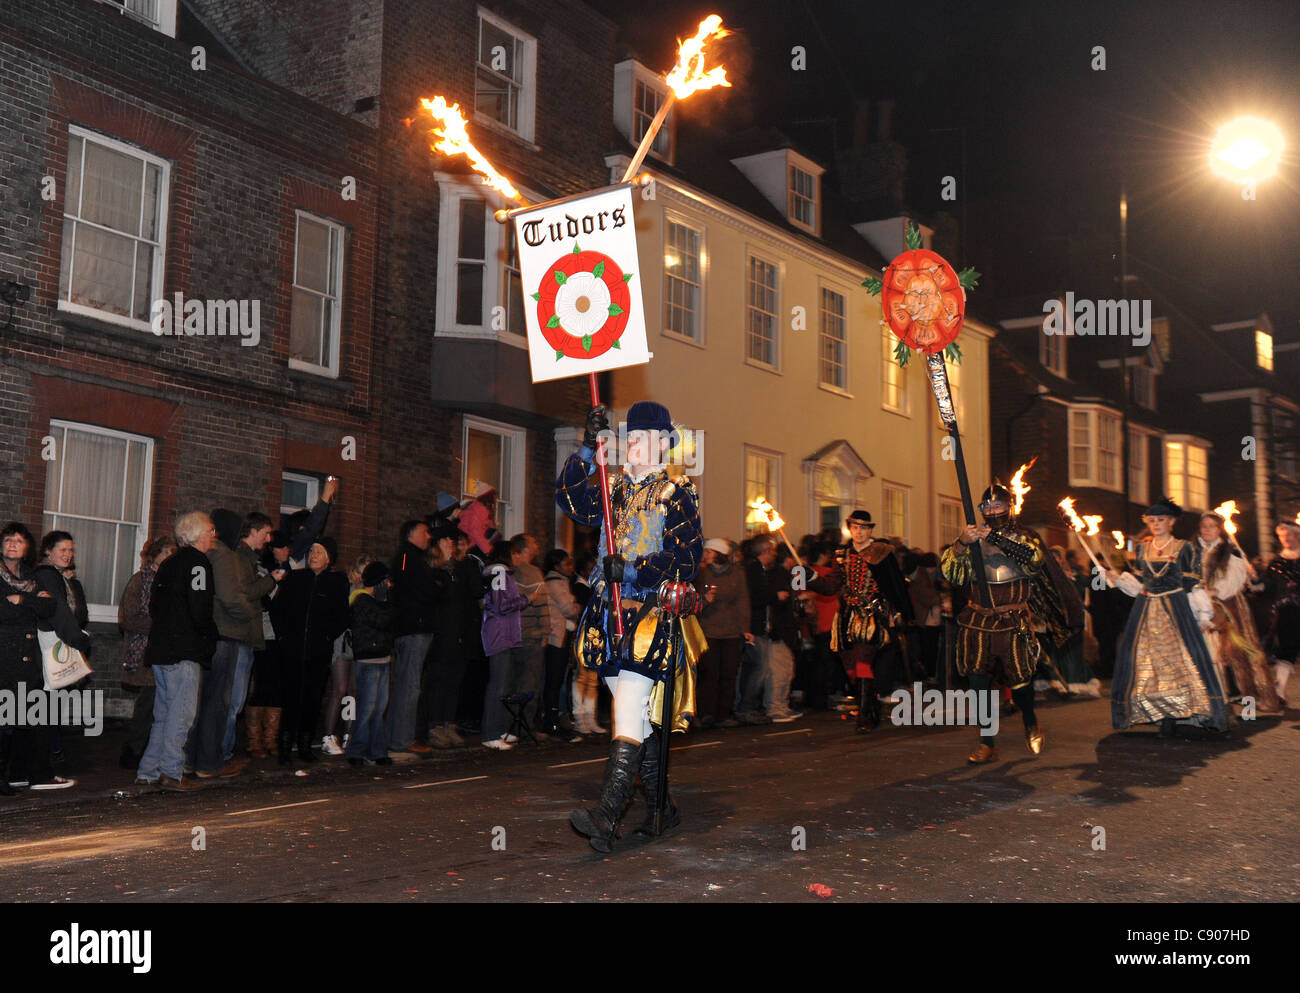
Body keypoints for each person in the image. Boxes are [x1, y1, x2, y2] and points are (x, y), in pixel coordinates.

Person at [558, 401, 704, 851]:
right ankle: (663, 807)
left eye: (640, 437)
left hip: (648, 615)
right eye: (628, 437)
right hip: (606, 615)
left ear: (662, 443)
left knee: (627, 708)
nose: (631, 445)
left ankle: (607, 814)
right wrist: (586, 448)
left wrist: (636, 570)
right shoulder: (614, 488)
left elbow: (688, 556)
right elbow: (573, 504)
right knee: (633, 715)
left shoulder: (678, 492)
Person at [940, 483, 1083, 762]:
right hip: (977, 619)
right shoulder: (971, 540)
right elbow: (951, 574)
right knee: (978, 680)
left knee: (1020, 681)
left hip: (1012, 620)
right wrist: (960, 544)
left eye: (998, 506)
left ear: (1010, 508)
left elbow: (1033, 561)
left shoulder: (1025, 537)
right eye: (987, 506)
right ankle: (986, 741)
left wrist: (997, 539)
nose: (992, 510)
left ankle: (1030, 720)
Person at [1107, 497, 1228, 738]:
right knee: (1145, 662)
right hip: (1145, 610)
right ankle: (1160, 715)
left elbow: (1192, 585)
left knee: (1178, 662)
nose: (1156, 524)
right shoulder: (1142, 548)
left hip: (1176, 609)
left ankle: (1180, 713)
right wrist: (1115, 577)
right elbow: (1140, 584)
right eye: (1151, 521)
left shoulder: (1185, 548)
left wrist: (1204, 615)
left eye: (1161, 520)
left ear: (1171, 522)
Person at [806, 510, 914, 733]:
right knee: (850, 667)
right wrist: (810, 577)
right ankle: (871, 705)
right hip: (846, 616)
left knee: (863, 661)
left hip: (871, 616)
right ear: (850, 529)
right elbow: (830, 587)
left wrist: (898, 613)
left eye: (863, 528)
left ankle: (864, 716)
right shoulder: (841, 555)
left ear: (870, 530)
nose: (859, 532)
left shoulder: (882, 552)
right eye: (855, 527)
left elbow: (895, 585)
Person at [137, 512, 220, 791]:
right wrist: (208, 636)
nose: (214, 534)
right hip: (183, 649)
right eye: (210, 530)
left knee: (164, 713)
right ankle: (172, 771)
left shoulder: (169, 564)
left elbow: (154, 607)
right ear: (197, 535)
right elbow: (199, 608)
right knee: (181, 714)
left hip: (161, 649)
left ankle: (148, 770)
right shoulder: (198, 564)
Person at [0, 523, 68, 792]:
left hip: (28, 657)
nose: (13, 544)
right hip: (4, 655)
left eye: (19, 540)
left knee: (25, 720)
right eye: (8, 539)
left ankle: (20, 773)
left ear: (28, 547)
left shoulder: (31, 576)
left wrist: (22, 600)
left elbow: (49, 606)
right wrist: (29, 603)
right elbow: (3, 613)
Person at [270, 539, 349, 763]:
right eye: (312, 551)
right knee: (290, 697)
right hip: (292, 651)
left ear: (328, 558)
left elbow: (342, 617)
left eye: (319, 552)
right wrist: (284, 637)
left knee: (312, 699)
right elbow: (278, 610)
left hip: (318, 652)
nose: (313, 555)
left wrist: (325, 637)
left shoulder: (335, 583)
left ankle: (305, 745)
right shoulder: (295, 579)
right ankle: (285, 746)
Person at [1197, 513, 1281, 717]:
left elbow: (1233, 582)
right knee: (1210, 657)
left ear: (1220, 530)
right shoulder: (1194, 553)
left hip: (1230, 610)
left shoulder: (1230, 552)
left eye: (1212, 526)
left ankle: (1251, 707)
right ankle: (1215, 705)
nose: (1207, 530)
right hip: (1202, 608)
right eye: (1204, 526)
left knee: (1242, 657)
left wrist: (1215, 591)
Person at [118, 535, 176, 770]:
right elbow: (128, 619)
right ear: (156, 554)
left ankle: (147, 750)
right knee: (148, 704)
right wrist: (162, 625)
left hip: (164, 650)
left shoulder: (170, 582)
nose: (171, 557)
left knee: (159, 705)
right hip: (143, 652)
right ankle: (133, 750)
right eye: (167, 552)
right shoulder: (139, 581)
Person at [388, 521, 438, 757]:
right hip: (413, 628)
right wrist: (435, 585)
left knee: (407, 684)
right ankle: (402, 739)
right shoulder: (408, 559)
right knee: (409, 686)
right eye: (424, 532)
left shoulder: (411, 559)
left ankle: (399, 736)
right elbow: (419, 588)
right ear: (411, 535)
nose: (428, 536)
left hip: (412, 627)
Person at [741, 535, 801, 723]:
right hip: (760, 628)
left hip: (769, 628)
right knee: (765, 669)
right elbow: (756, 596)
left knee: (774, 669)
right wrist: (776, 596)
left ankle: (774, 706)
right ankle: (760, 707)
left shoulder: (765, 571)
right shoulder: (754, 571)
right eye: (772, 551)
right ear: (766, 551)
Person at [479, 540, 532, 751]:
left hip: (505, 634)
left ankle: (499, 729)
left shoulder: (503, 574)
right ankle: (490, 733)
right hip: (499, 634)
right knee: (497, 685)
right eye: (515, 554)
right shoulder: (499, 573)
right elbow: (501, 605)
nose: (518, 557)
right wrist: (526, 599)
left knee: (504, 684)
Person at [694, 538, 750, 728]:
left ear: (719, 553)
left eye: (709, 552)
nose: (706, 555)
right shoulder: (702, 574)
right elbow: (693, 603)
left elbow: (743, 601)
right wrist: (705, 599)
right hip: (709, 630)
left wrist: (745, 628)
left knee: (729, 673)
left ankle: (724, 714)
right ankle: (706, 713)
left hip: (731, 631)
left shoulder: (737, 574)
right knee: (709, 673)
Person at [346, 561, 395, 767]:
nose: (390, 585)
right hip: (369, 660)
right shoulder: (361, 600)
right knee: (366, 708)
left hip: (382, 658)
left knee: (379, 708)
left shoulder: (376, 600)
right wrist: (384, 601)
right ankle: (357, 750)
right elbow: (381, 621)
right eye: (386, 581)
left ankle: (377, 750)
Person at [321, 555, 370, 756]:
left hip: (356, 646)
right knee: (339, 689)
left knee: (353, 690)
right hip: (342, 643)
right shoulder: (348, 589)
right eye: (361, 572)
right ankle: (328, 736)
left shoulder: (369, 593)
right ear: (354, 573)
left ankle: (349, 733)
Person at [426, 522, 469, 749]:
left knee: (454, 681)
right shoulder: (434, 572)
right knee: (439, 682)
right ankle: (434, 726)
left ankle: (449, 724)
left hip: (456, 633)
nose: (450, 544)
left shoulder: (458, 571)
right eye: (446, 541)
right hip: (440, 635)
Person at [543, 548, 582, 738]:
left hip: (561, 635)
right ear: (557, 565)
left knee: (558, 679)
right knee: (554, 680)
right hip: (556, 637)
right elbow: (569, 609)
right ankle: (550, 720)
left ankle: (554, 718)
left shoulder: (561, 581)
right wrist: (577, 605)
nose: (571, 567)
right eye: (567, 563)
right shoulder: (555, 583)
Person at [1260, 520, 1300, 708]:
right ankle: (1280, 690)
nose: (1285, 539)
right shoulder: (1276, 562)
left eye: (1288, 535)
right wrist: (1255, 582)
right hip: (1287, 611)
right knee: (1286, 650)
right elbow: (1268, 588)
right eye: (1281, 536)